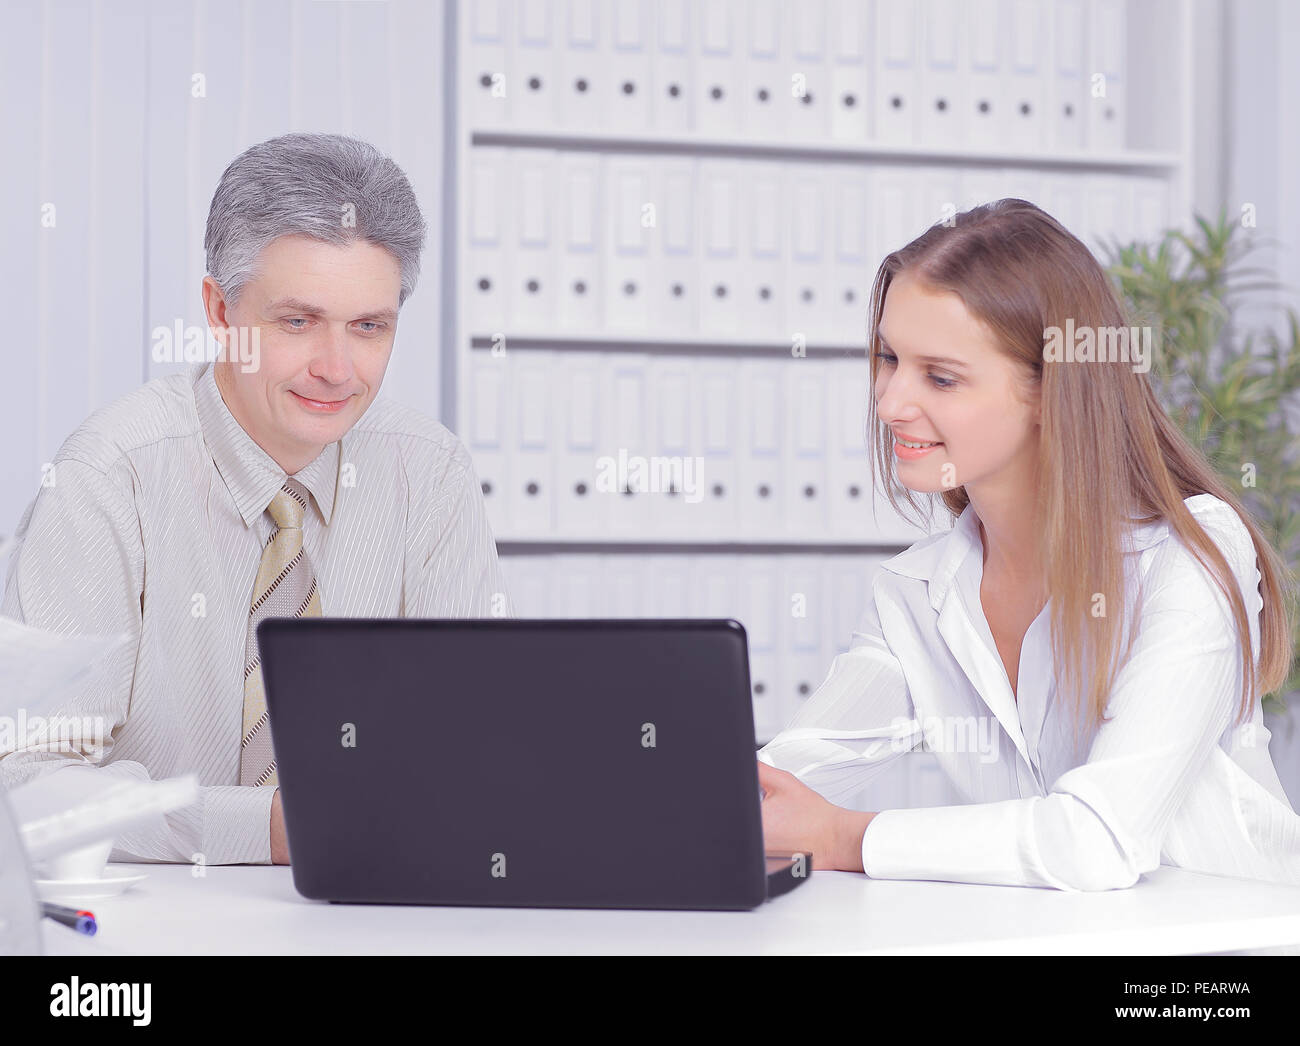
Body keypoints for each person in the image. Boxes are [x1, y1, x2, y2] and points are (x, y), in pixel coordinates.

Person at [758, 198, 1300, 891]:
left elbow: (1096, 841)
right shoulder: (915, 594)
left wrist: (843, 836)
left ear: (1051, 390)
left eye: (941, 376)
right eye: (889, 359)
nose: (890, 400)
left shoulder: (1191, 557)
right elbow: (788, 783)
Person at [0, 133, 511, 867]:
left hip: (374, 918)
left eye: (368, 327)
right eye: (297, 322)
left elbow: (479, 743)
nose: (337, 370)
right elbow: (30, 786)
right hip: (157, 926)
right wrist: (279, 826)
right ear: (219, 310)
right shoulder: (109, 476)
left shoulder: (428, 473)